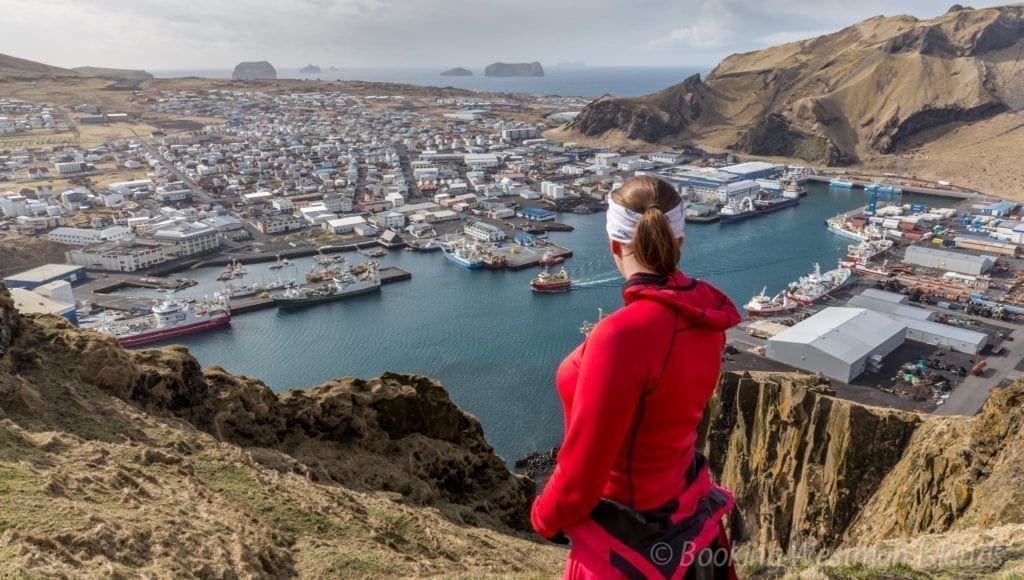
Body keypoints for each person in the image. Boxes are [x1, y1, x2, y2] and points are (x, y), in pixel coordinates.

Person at [530, 176, 741, 579]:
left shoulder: (621, 336)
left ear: (613, 245)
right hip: (690, 523)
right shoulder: (707, 318)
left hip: (627, 545)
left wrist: (543, 517)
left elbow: (581, 478)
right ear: (679, 241)